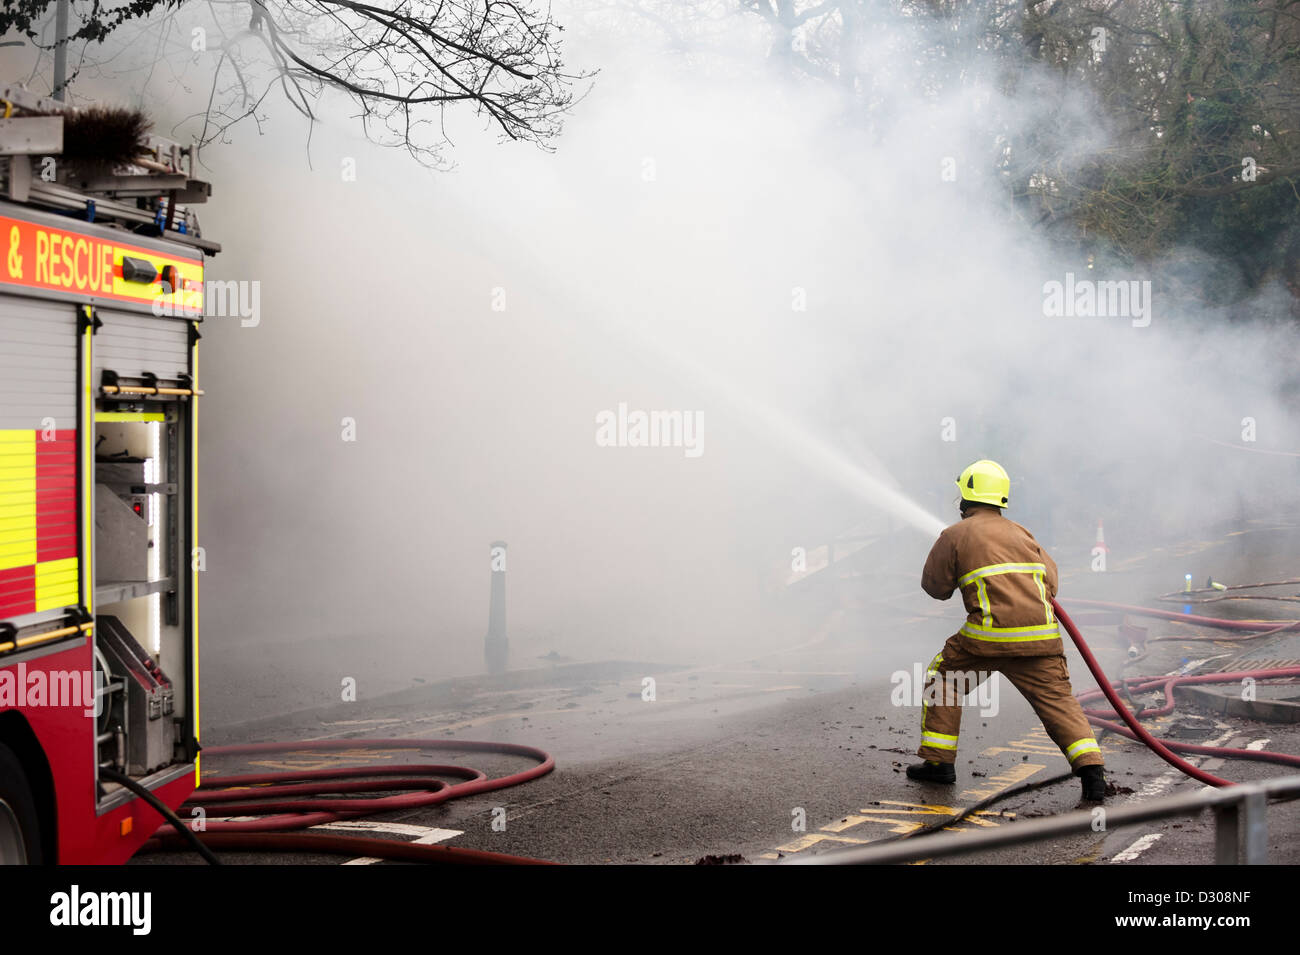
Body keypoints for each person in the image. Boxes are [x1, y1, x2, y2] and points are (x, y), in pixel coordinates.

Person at [908, 459, 1106, 802]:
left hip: (986, 639)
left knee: (944, 680)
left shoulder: (954, 535)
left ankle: (939, 764)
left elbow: (935, 588)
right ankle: (1093, 774)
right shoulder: (1022, 533)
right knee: (1058, 702)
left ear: (966, 497)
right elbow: (1052, 582)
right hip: (1041, 638)